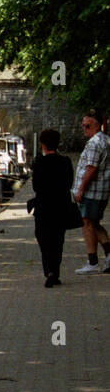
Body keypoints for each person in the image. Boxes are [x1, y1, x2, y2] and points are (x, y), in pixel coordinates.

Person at [27, 129, 73, 287]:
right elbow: (69, 184)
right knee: (58, 240)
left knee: (44, 240)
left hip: (43, 207)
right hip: (61, 206)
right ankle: (55, 271)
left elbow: (35, 186)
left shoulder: (39, 162)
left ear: (42, 144)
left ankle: (49, 271)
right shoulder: (66, 162)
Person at [72, 109, 110, 273]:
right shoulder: (105, 140)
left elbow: (91, 168)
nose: (84, 129)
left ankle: (92, 262)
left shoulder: (95, 143)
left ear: (96, 126)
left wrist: (81, 189)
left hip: (92, 191)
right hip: (100, 189)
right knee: (93, 223)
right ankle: (107, 256)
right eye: (83, 125)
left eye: (87, 126)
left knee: (87, 223)